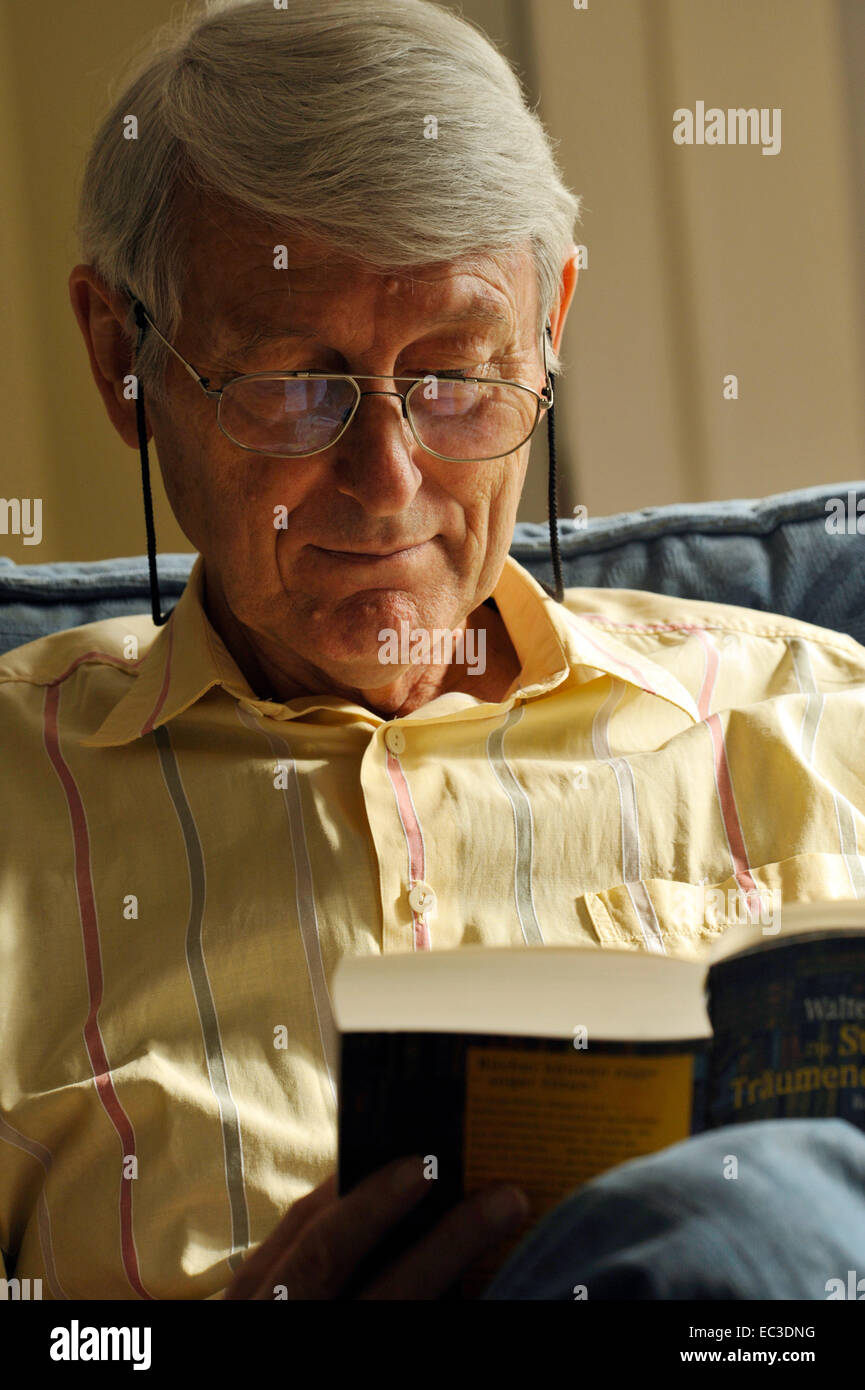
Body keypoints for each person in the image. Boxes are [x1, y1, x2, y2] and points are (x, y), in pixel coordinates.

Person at [1, 0, 864, 1301]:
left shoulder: (821, 719)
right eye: (294, 382)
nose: (389, 481)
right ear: (123, 357)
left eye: (461, 376)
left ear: (552, 321)